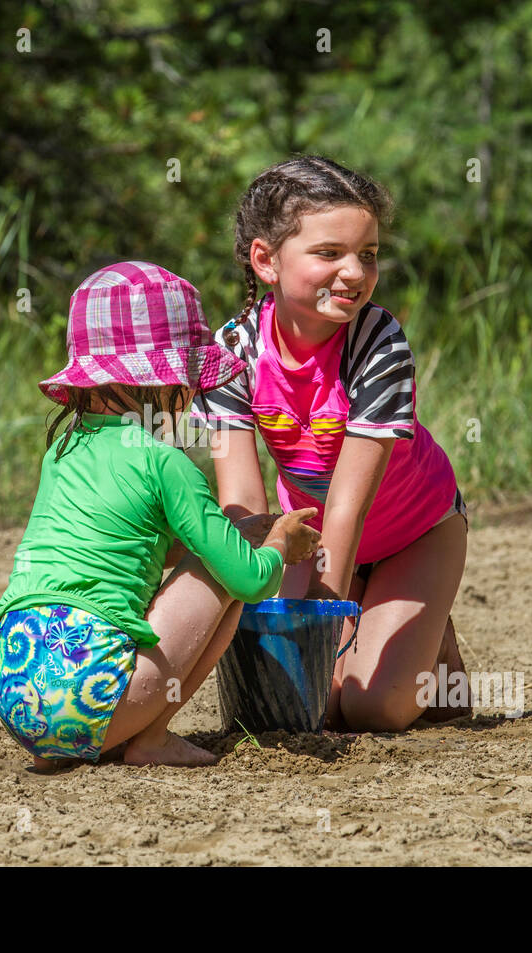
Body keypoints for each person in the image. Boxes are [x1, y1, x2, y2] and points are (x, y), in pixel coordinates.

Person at [0, 260, 321, 770]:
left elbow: (125, 546)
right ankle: (149, 737)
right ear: (169, 383)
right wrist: (278, 544)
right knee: (226, 576)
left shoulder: (63, 450)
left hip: (16, 689)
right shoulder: (166, 462)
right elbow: (250, 580)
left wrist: (232, 534)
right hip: (89, 695)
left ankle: (81, 743)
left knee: (213, 555)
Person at [192, 156, 472, 732]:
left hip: (414, 534)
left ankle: (433, 641)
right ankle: (371, 610)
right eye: (329, 253)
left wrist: (314, 628)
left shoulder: (378, 343)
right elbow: (241, 499)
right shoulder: (232, 350)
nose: (354, 272)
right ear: (266, 260)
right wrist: (247, 597)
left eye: (367, 254)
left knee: (374, 711)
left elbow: (349, 504)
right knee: (306, 705)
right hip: (311, 534)